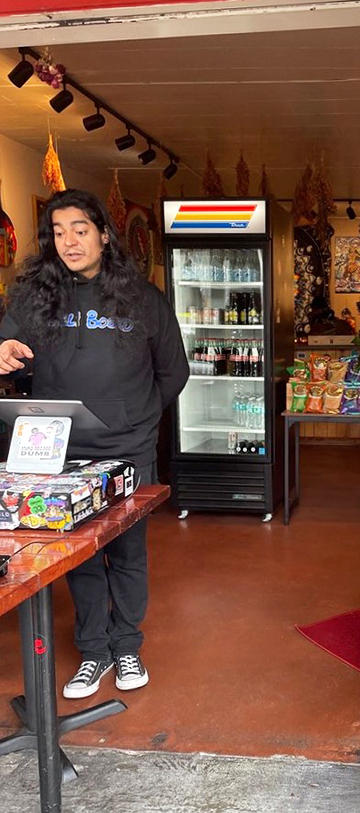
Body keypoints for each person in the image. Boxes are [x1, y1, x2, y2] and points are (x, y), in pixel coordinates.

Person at [0, 189, 189, 699]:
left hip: (128, 447)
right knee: (76, 556)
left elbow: (174, 371)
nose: (69, 241)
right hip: (59, 453)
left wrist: (137, 418)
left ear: (104, 234)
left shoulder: (142, 298)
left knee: (127, 552)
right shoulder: (34, 295)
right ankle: (94, 653)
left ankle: (127, 646)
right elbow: (7, 343)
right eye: (59, 232)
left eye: (80, 229)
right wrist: (5, 349)